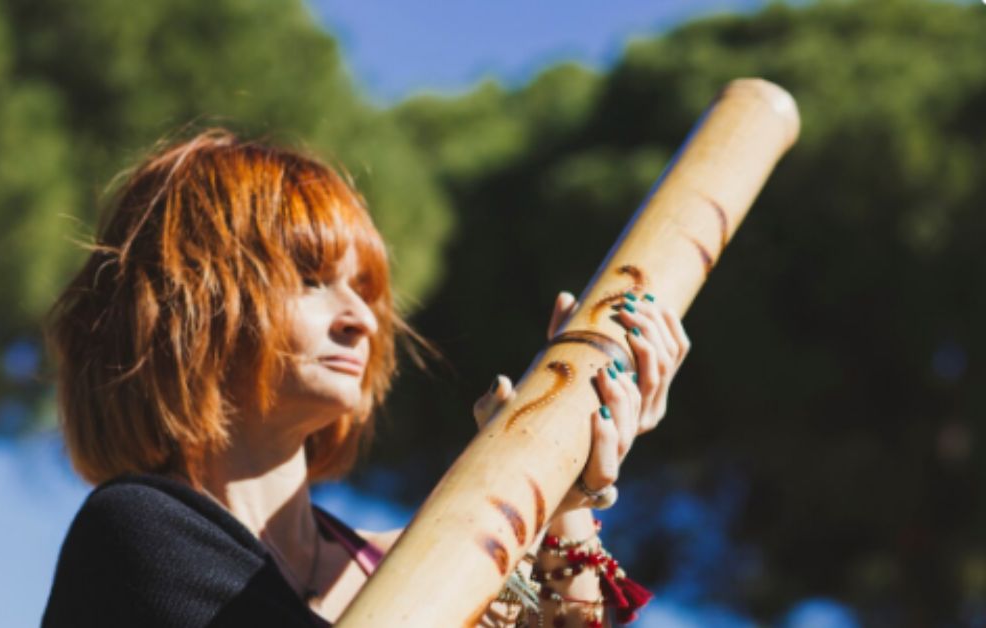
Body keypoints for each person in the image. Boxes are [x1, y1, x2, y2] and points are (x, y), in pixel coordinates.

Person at [41, 129, 690, 627]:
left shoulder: (423, 561)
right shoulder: (136, 535)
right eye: (311, 279)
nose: (360, 318)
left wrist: (562, 496)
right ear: (188, 301)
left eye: (366, 289)